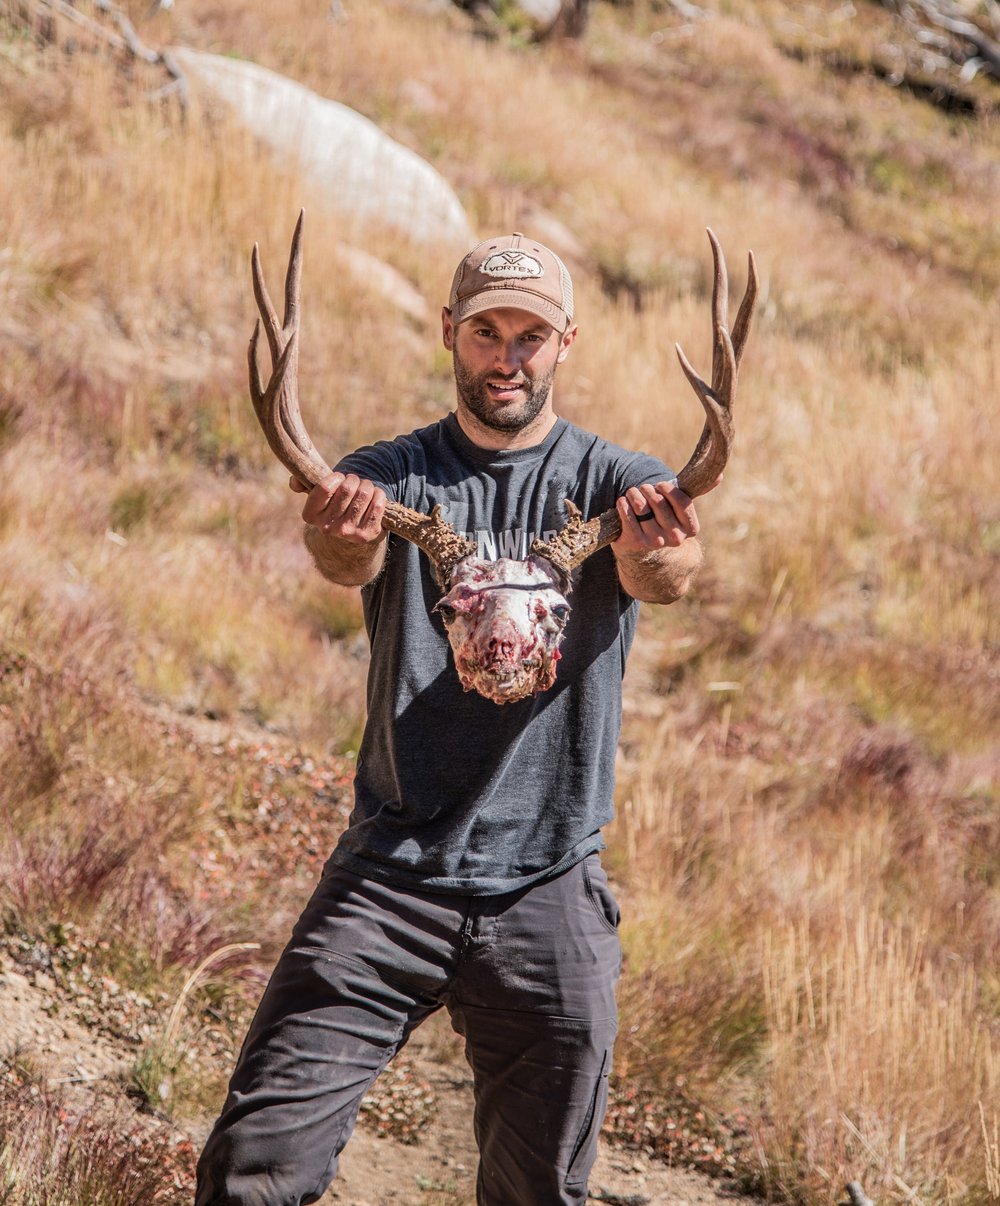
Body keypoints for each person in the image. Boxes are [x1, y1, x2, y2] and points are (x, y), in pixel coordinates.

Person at [195, 232, 708, 1205]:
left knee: (538, 1191)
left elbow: (666, 574)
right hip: (390, 877)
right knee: (255, 1168)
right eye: (486, 333)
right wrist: (337, 531)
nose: (506, 357)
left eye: (529, 336)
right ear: (450, 334)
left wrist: (651, 546)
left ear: (566, 344)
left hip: (549, 885)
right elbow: (347, 562)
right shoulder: (388, 474)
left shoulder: (614, 480)